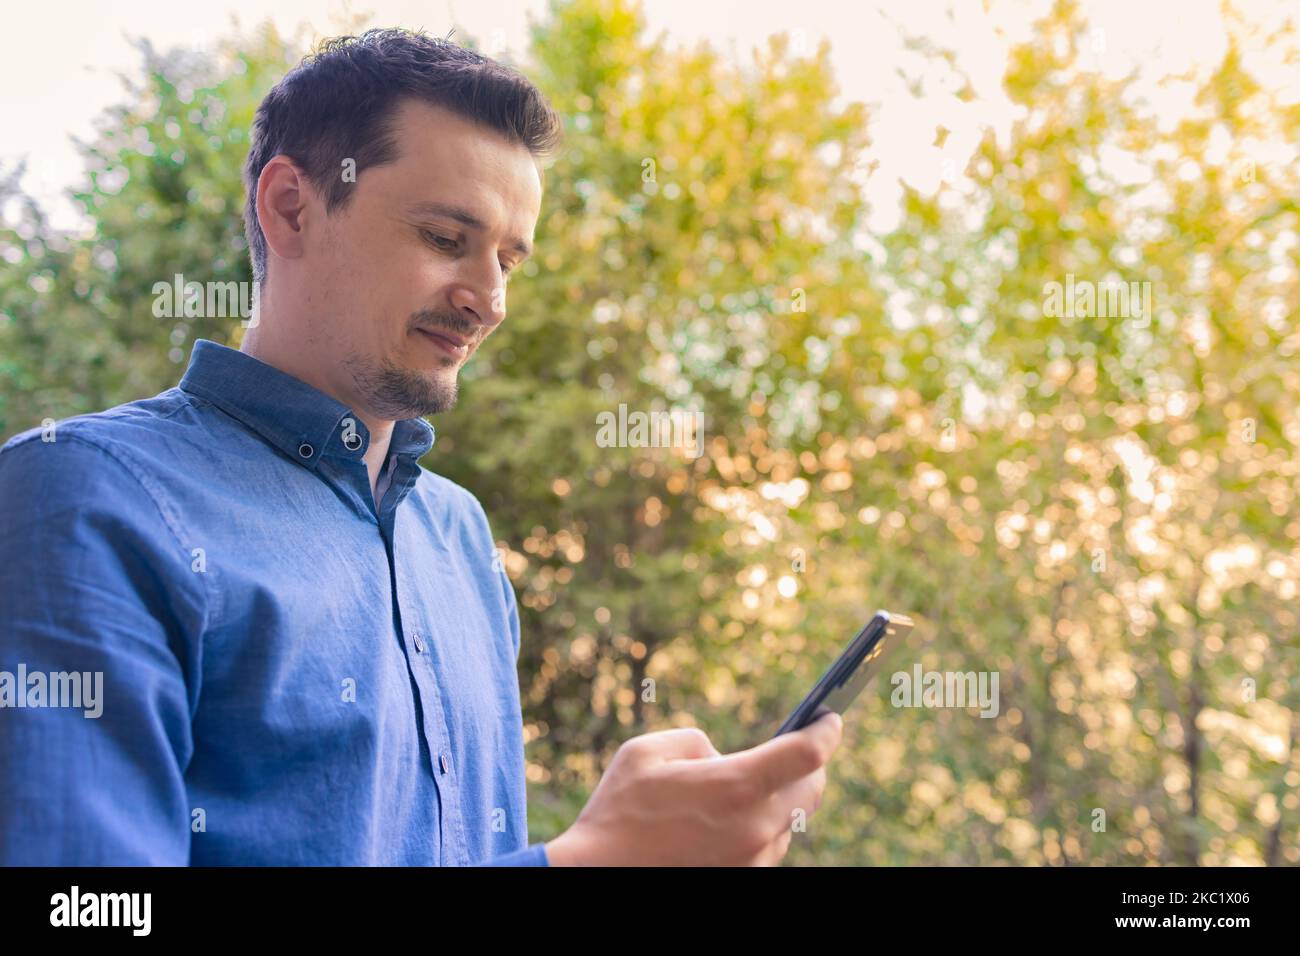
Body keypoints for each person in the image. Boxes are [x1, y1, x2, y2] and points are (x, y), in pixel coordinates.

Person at [0, 28, 841, 866]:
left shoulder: (459, 537)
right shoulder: (84, 496)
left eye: (509, 260)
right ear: (290, 207)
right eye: (445, 239)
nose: (491, 300)